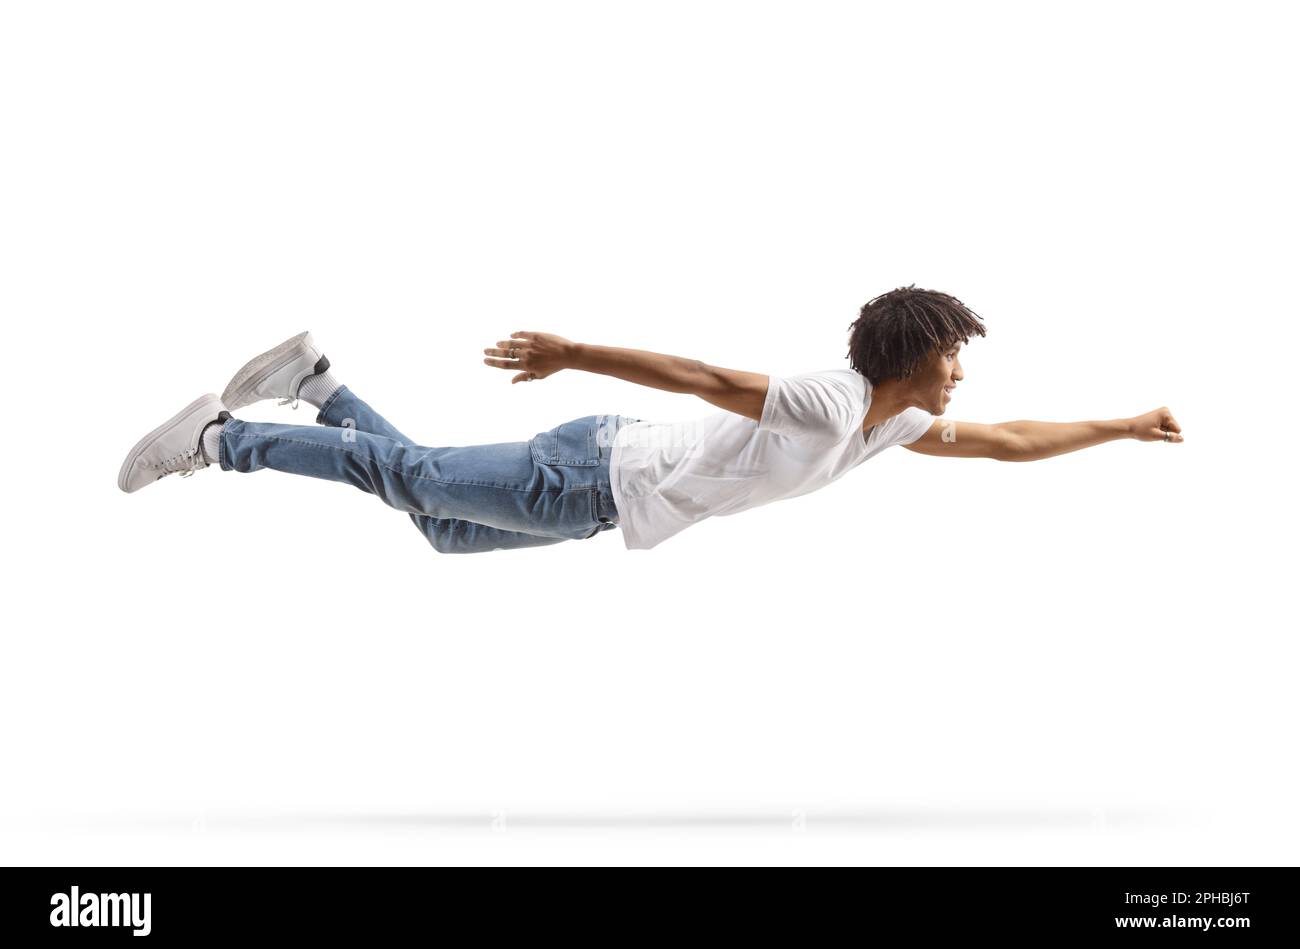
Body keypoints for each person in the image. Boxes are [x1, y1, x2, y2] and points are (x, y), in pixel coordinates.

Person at [117, 285, 1183, 553]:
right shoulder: (831, 397)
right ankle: (221, 439)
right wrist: (571, 348)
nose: (962, 375)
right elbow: (698, 371)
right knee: (417, 476)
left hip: (604, 501)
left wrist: (1125, 427)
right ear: (912, 356)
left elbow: (1010, 441)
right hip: (592, 471)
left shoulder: (890, 424)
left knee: (438, 519)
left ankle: (319, 382)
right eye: (953, 355)